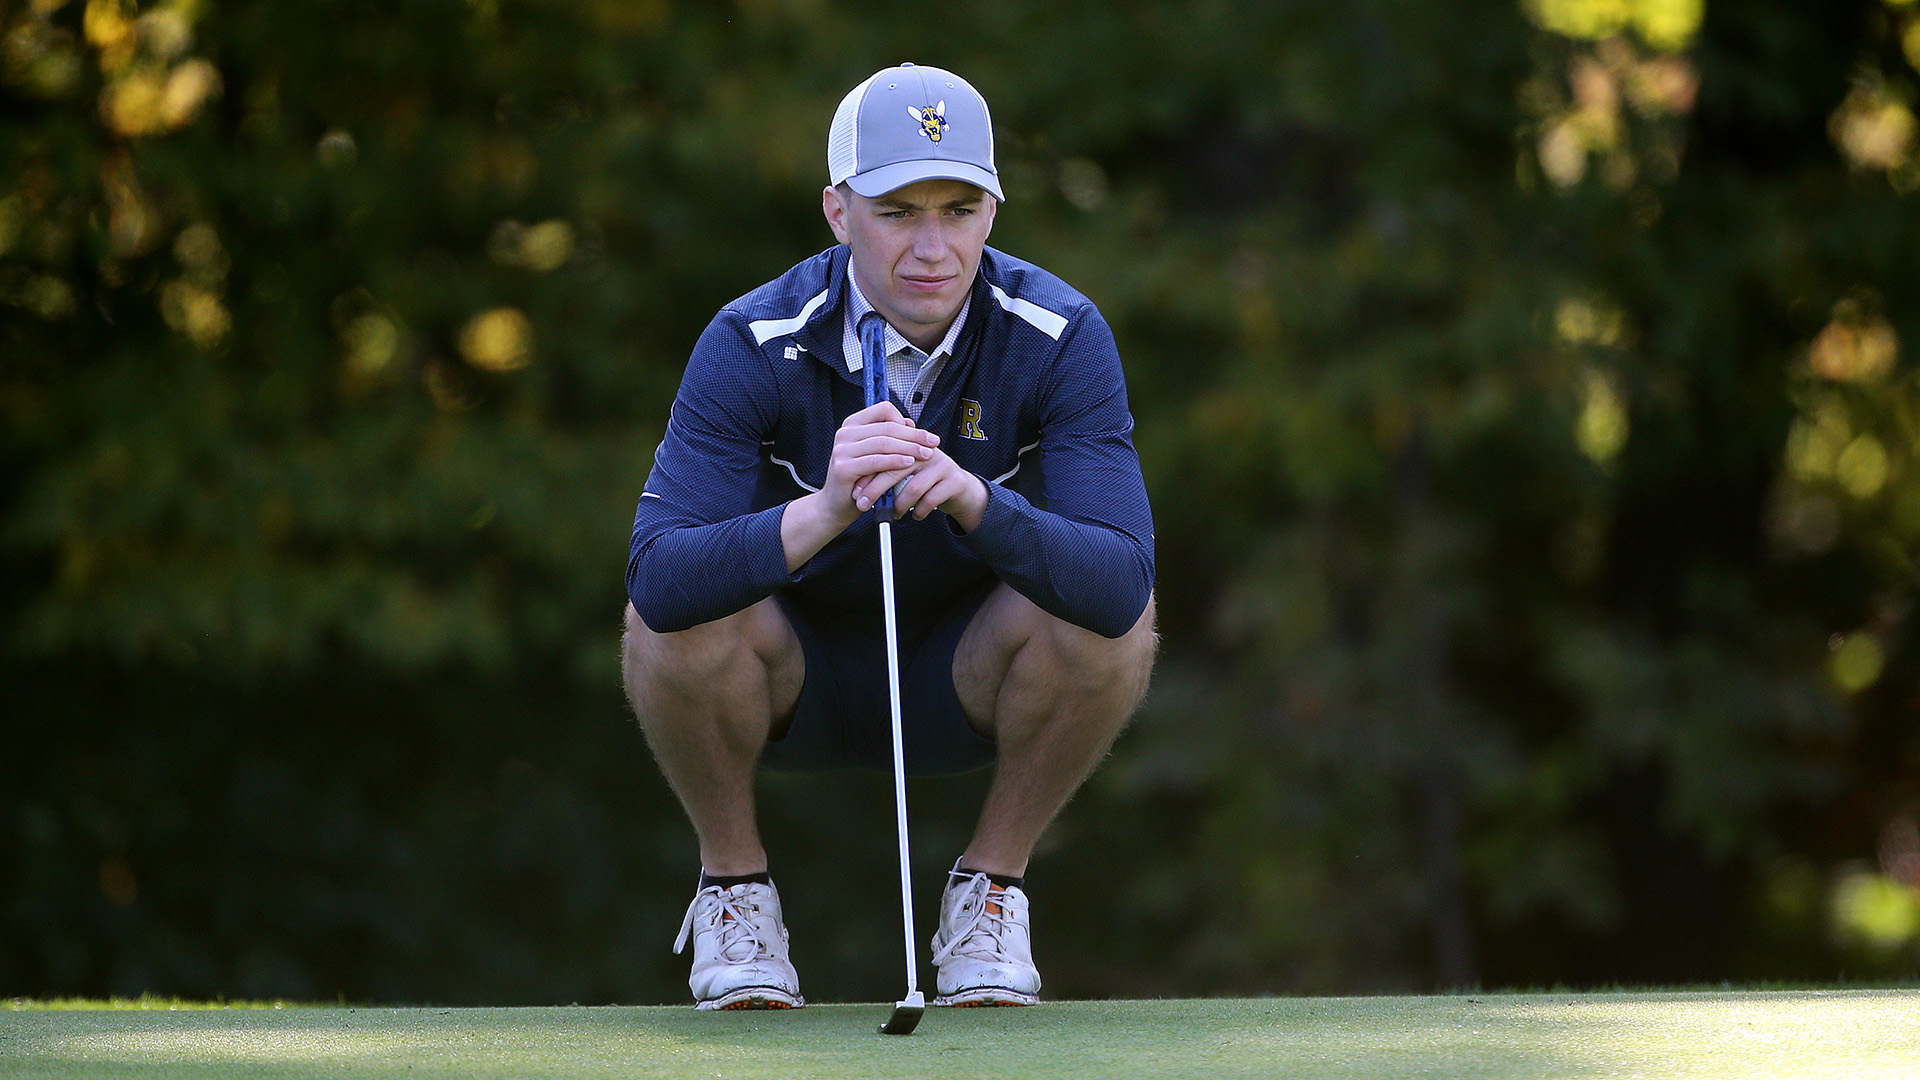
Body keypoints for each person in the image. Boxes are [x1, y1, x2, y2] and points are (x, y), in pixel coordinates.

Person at [623, 62, 1156, 1011]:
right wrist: (824, 507)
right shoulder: (752, 337)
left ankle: (991, 892)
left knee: (1113, 626)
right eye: (897, 210)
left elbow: (1119, 585)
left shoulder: (1059, 332)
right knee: (673, 621)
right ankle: (735, 894)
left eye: (959, 209)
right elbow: (658, 581)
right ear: (837, 212)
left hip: (971, 672)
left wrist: (974, 501)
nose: (931, 246)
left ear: (993, 213)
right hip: (786, 673)